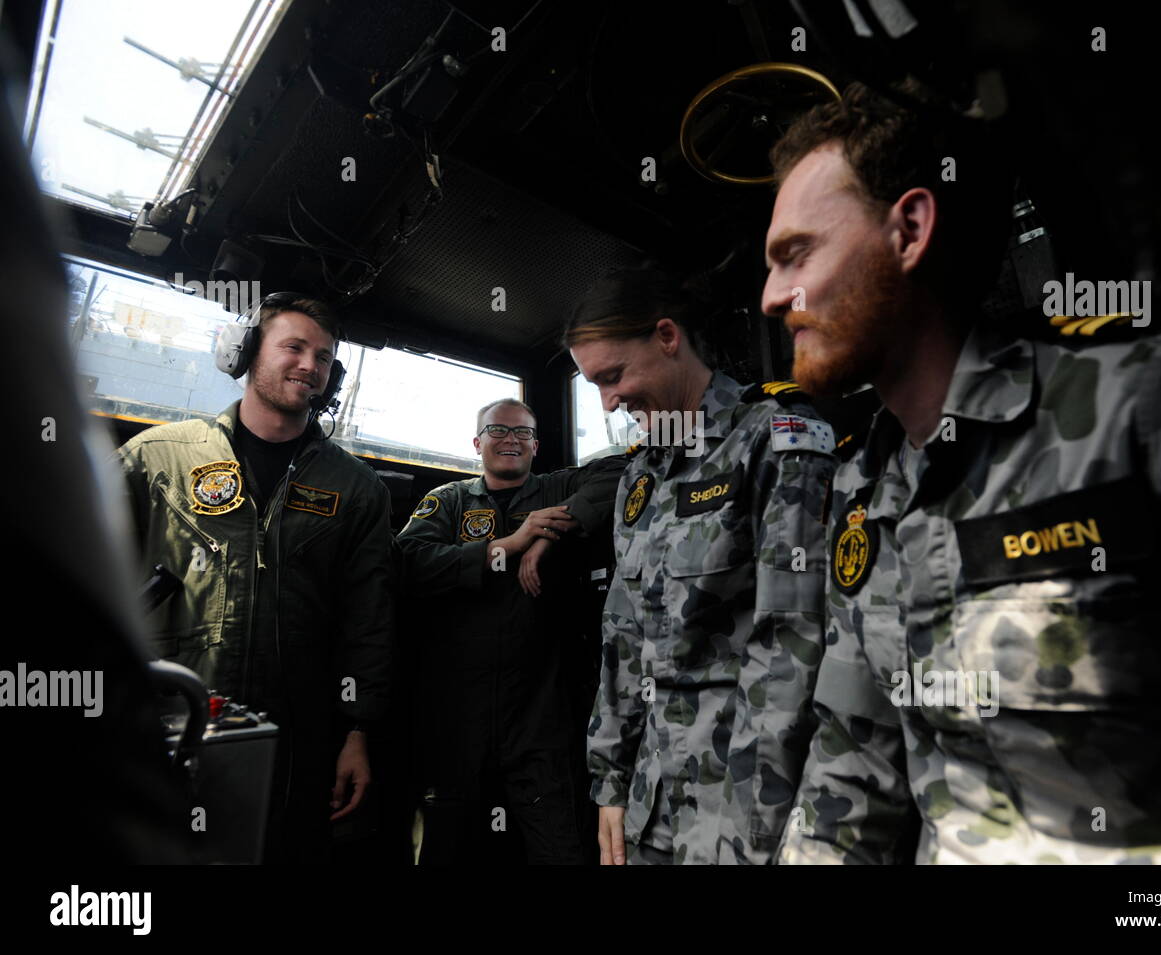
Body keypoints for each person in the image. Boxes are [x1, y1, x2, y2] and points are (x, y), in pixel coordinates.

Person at [762, 81, 1161, 863]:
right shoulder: (864, 489)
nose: (774, 297)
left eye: (795, 254)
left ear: (909, 230)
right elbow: (855, 762)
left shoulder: (1150, 416)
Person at [569, 267, 838, 865]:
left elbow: (795, 642)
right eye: (594, 385)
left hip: (746, 804)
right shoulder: (640, 476)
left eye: (612, 377)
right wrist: (611, 782)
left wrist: (754, 819)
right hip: (651, 800)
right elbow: (623, 636)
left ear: (667, 336)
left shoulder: (775, 439)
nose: (609, 402)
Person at [118, 293, 393, 863]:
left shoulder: (358, 488)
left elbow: (367, 619)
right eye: (293, 347)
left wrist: (357, 732)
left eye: (323, 357)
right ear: (244, 354)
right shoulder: (158, 458)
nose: (309, 365)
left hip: (298, 733)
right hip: (168, 716)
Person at [396, 397, 625, 865]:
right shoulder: (448, 500)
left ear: (536, 446)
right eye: (498, 430)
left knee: (561, 847)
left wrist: (551, 531)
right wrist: (510, 544)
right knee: (452, 847)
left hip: (543, 715)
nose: (510, 440)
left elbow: (627, 468)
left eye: (522, 433)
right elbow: (406, 564)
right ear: (477, 442)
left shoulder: (558, 487)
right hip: (458, 719)